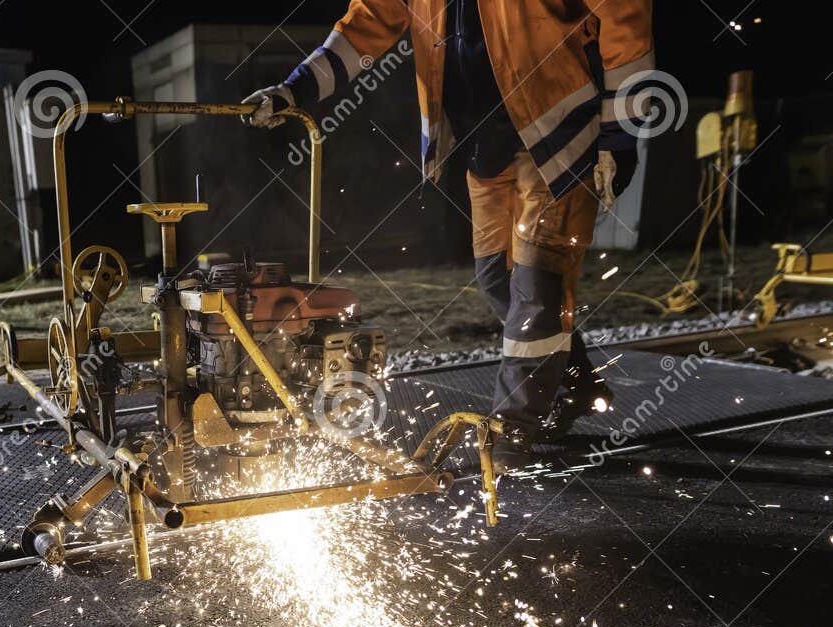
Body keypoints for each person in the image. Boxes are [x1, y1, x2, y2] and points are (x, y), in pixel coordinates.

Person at [244, 0, 654, 471]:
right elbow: (364, 31)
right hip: (485, 148)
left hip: (561, 138)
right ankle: (578, 383)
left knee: (538, 289)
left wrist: (621, 136)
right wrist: (294, 91)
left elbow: (626, 23)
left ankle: (512, 430)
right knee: (499, 281)